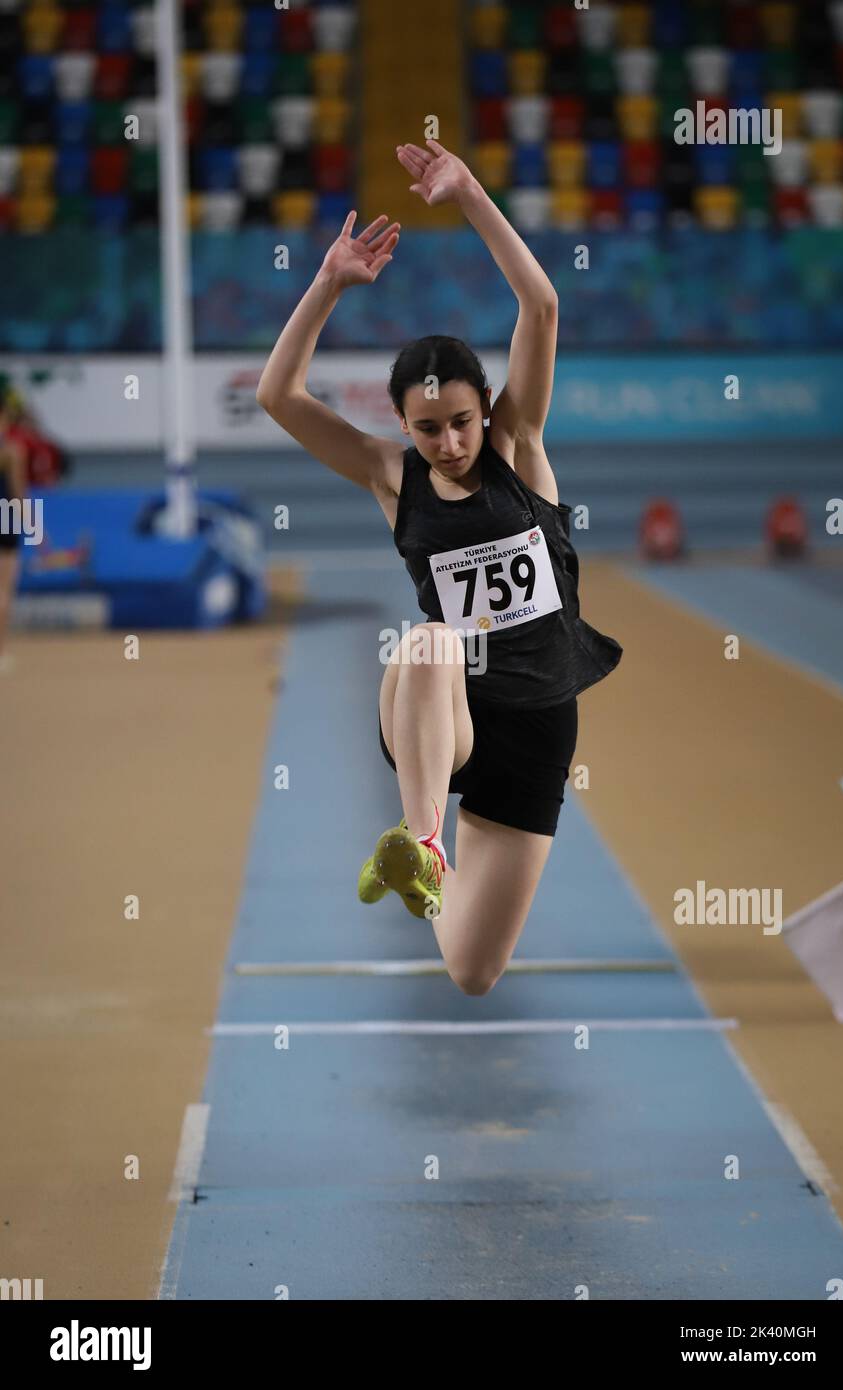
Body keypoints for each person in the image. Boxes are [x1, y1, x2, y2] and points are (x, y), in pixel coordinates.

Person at [256, 138, 622, 995]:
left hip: (537, 727)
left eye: (460, 421)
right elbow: (281, 396)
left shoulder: (520, 448)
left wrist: (468, 195)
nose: (449, 443)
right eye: (428, 429)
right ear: (403, 426)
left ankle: (426, 870)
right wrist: (327, 286)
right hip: (443, 715)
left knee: (471, 971)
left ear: (484, 406)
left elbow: (540, 305)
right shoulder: (394, 476)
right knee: (428, 641)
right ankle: (420, 841)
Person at [0, 378, 28, 672]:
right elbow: (19, 493)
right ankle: (0, 651)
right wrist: (37, 531)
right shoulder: (12, 450)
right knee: (3, 589)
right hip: (5, 515)